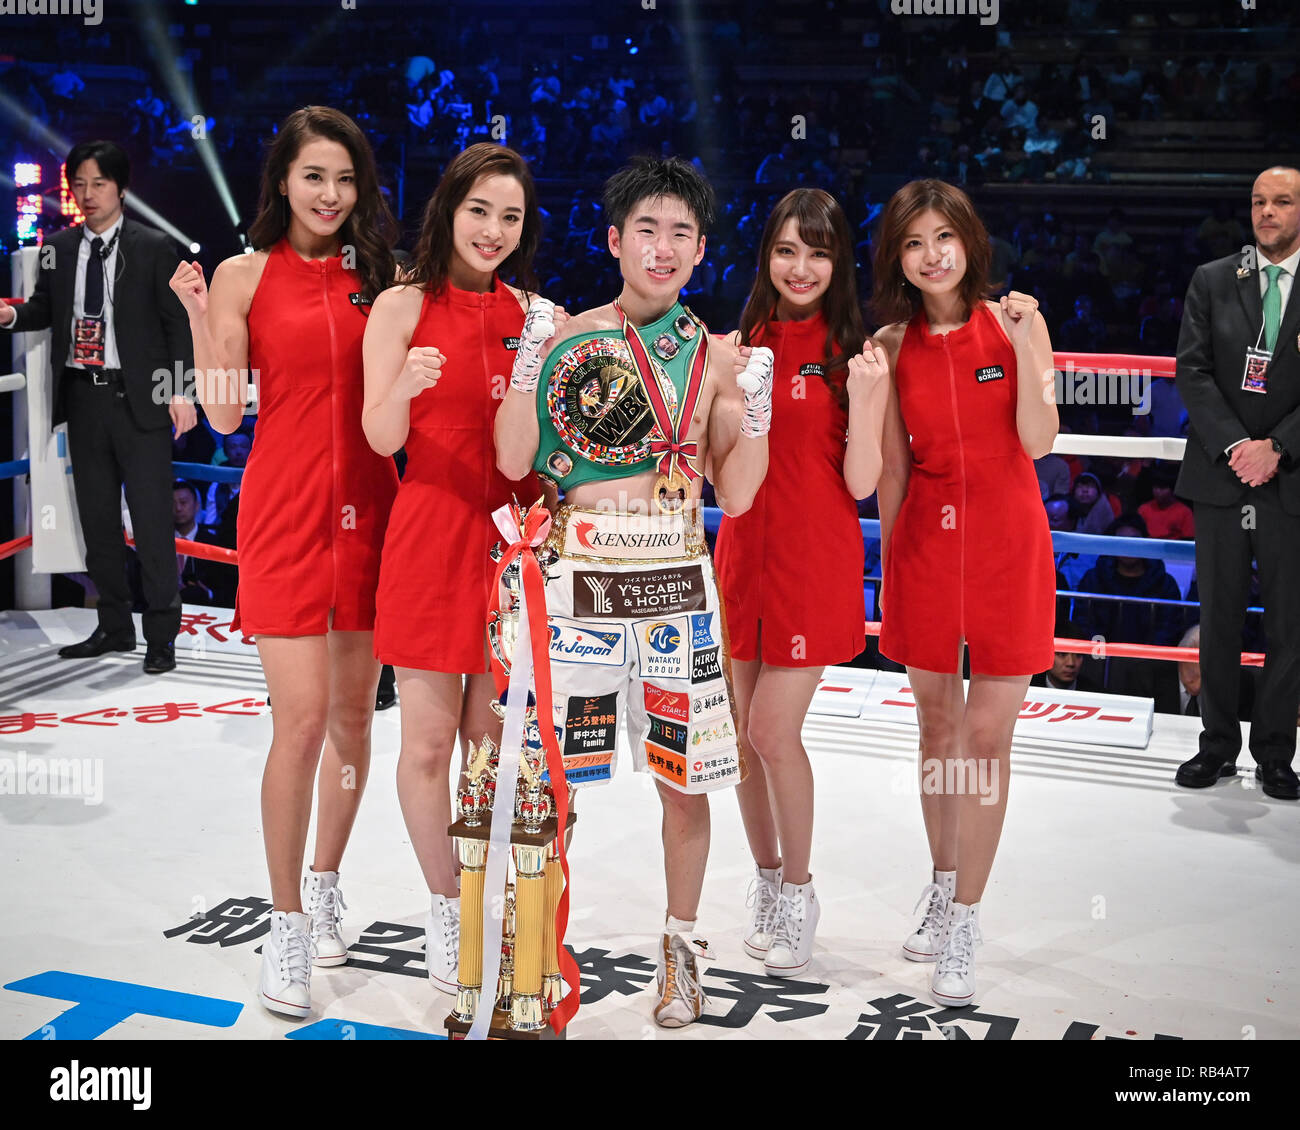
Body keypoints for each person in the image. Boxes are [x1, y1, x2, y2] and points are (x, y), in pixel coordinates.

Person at [494, 156, 771, 1028]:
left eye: (681, 233)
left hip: (676, 592)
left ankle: (682, 954)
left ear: (699, 250)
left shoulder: (718, 358)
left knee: (684, 788)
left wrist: (756, 414)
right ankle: (530, 953)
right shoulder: (569, 337)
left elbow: (745, 492)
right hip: (576, 585)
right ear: (614, 240)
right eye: (646, 230)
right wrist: (530, 365)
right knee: (554, 785)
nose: (663, 247)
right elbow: (511, 461)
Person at [169, 106, 400, 1016]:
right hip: (287, 511)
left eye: (345, 179)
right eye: (314, 177)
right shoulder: (240, 274)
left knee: (354, 720)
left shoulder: (384, 275)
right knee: (298, 724)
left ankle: (331, 880)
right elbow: (224, 416)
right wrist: (196, 316)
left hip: (376, 512)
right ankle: (288, 922)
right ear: (282, 182)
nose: (331, 195)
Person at [361, 143, 547, 996]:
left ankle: (497, 897)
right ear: (449, 210)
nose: (494, 231)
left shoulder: (538, 316)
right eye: (480, 210)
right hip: (430, 530)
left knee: (491, 746)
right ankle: (447, 906)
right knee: (429, 741)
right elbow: (380, 437)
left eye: (510, 217)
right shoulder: (401, 306)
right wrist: (404, 381)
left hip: (515, 545)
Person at [872, 179, 1058, 1007]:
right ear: (899, 258)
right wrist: (891, 576)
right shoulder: (890, 342)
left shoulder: (1015, 321)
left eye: (944, 236)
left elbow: (1040, 439)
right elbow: (891, 480)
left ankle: (970, 919)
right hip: (925, 550)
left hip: (1009, 545)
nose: (932, 254)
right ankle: (944, 888)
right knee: (937, 728)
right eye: (914, 243)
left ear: (969, 241)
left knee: (986, 737)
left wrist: (1025, 344)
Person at [713, 187, 886, 978]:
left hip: (816, 558)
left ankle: (803, 889)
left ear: (838, 260)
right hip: (744, 553)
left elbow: (859, 484)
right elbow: (720, 470)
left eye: (818, 251)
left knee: (770, 733)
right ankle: (768, 880)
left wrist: (875, 397)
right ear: (767, 258)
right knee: (741, 742)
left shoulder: (856, 350)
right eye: (787, 250)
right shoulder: (738, 342)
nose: (802, 266)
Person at [0, 139, 195, 675]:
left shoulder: (155, 246)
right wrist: (12, 316)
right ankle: (113, 626)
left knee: (154, 523)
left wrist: (179, 391)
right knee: (99, 521)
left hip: (140, 401)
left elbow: (178, 323)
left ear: (122, 188)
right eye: (78, 184)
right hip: (83, 397)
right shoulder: (57, 247)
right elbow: (44, 308)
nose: (87, 195)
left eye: (98, 184)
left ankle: (162, 635)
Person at [1173, 166, 1300, 800]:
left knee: (1289, 627)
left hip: (1291, 477)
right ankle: (1217, 746)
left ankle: (1277, 752)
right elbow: (1192, 372)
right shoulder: (1215, 279)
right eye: (1258, 202)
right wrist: (1238, 446)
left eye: (1281, 201)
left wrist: (1277, 447)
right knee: (1217, 619)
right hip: (1223, 475)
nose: (1267, 212)